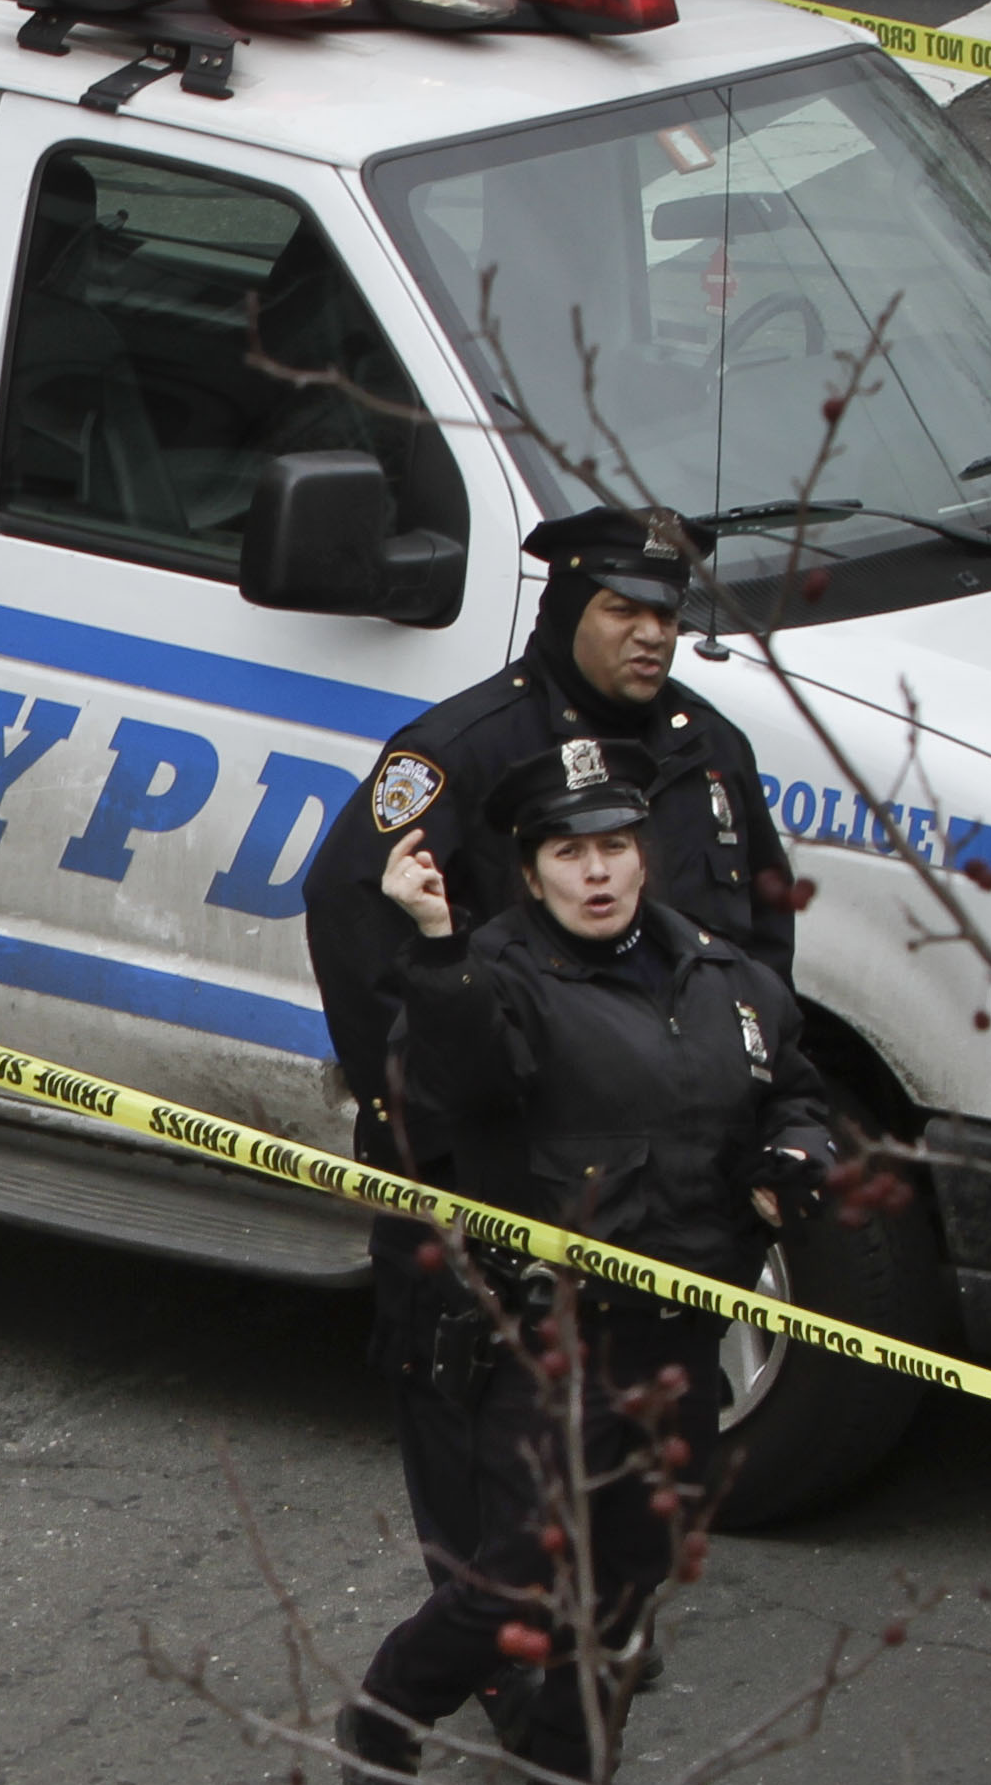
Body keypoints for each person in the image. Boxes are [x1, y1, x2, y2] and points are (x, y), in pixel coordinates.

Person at [301, 505, 795, 1685]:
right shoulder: (464, 747)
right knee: (474, 1437)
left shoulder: (706, 751)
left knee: (632, 1465)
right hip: (484, 1177)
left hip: (648, 1193)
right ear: (567, 607)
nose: (649, 636)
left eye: (666, 616)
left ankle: (573, 1665)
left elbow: (754, 947)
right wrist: (420, 1113)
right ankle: (465, 1682)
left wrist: (765, 1113)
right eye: (622, 611)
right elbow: (351, 913)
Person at [334, 740, 835, 1785]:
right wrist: (431, 943)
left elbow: (790, 1089)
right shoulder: (494, 976)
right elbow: (458, 1082)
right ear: (530, 869)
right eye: (569, 852)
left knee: (622, 1577)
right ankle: (382, 1721)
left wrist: (792, 1153)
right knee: (518, 1572)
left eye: (612, 846)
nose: (596, 873)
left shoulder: (720, 978)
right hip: (548, 1328)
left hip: (675, 1337)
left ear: (640, 856)